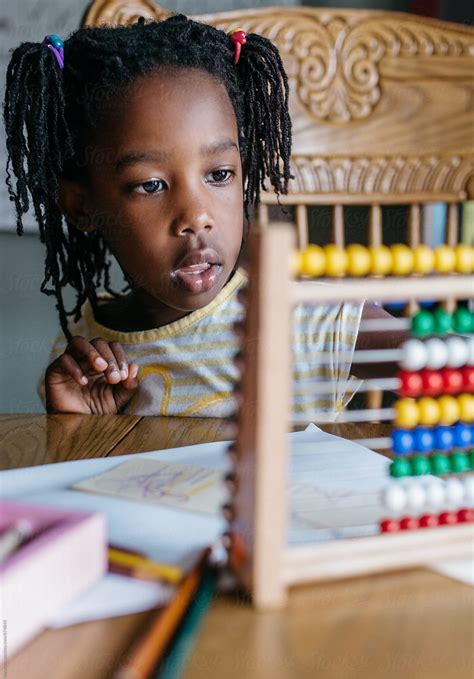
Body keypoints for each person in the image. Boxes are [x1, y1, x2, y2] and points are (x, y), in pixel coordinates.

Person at [3, 15, 400, 418]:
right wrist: (77, 427)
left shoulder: (303, 321)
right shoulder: (87, 356)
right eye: (152, 185)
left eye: (219, 174)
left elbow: (450, 363)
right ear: (82, 206)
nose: (196, 216)